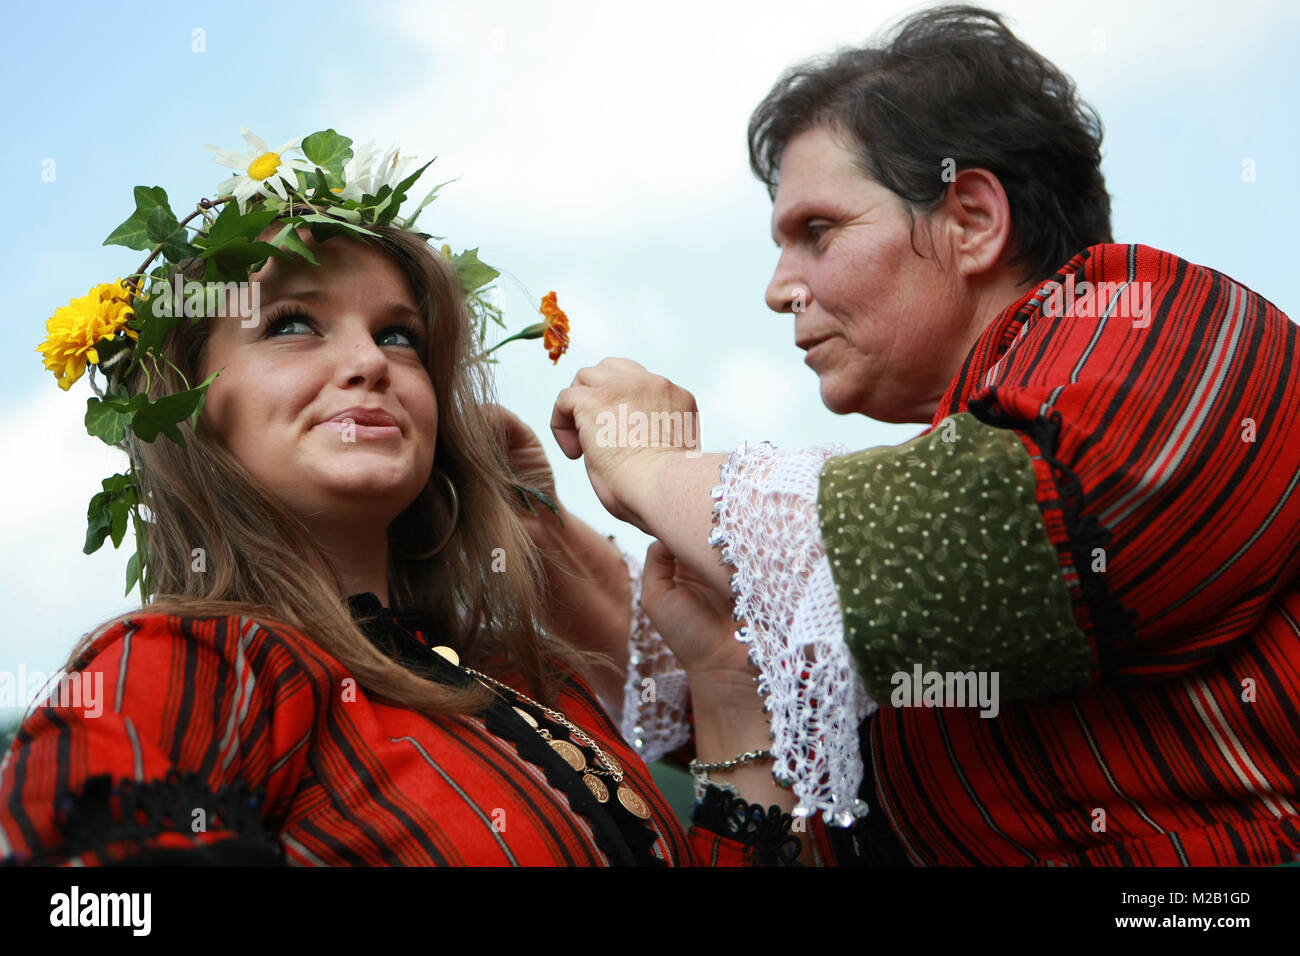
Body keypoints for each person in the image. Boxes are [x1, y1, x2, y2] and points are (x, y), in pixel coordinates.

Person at [548, 5, 1300, 865]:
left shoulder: (1174, 331)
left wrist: (648, 463)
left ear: (973, 219)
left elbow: (964, 548)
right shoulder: (906, 554)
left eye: (818, 232)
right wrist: (532, 521)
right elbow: (746, 706)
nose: (778, 288)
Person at [2, 128, 811, 866]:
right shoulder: (194, 659)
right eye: (291, 324)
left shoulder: (534, 680)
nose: (370, 361)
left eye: (399, 336)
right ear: (192, 403)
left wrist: (730, 692)